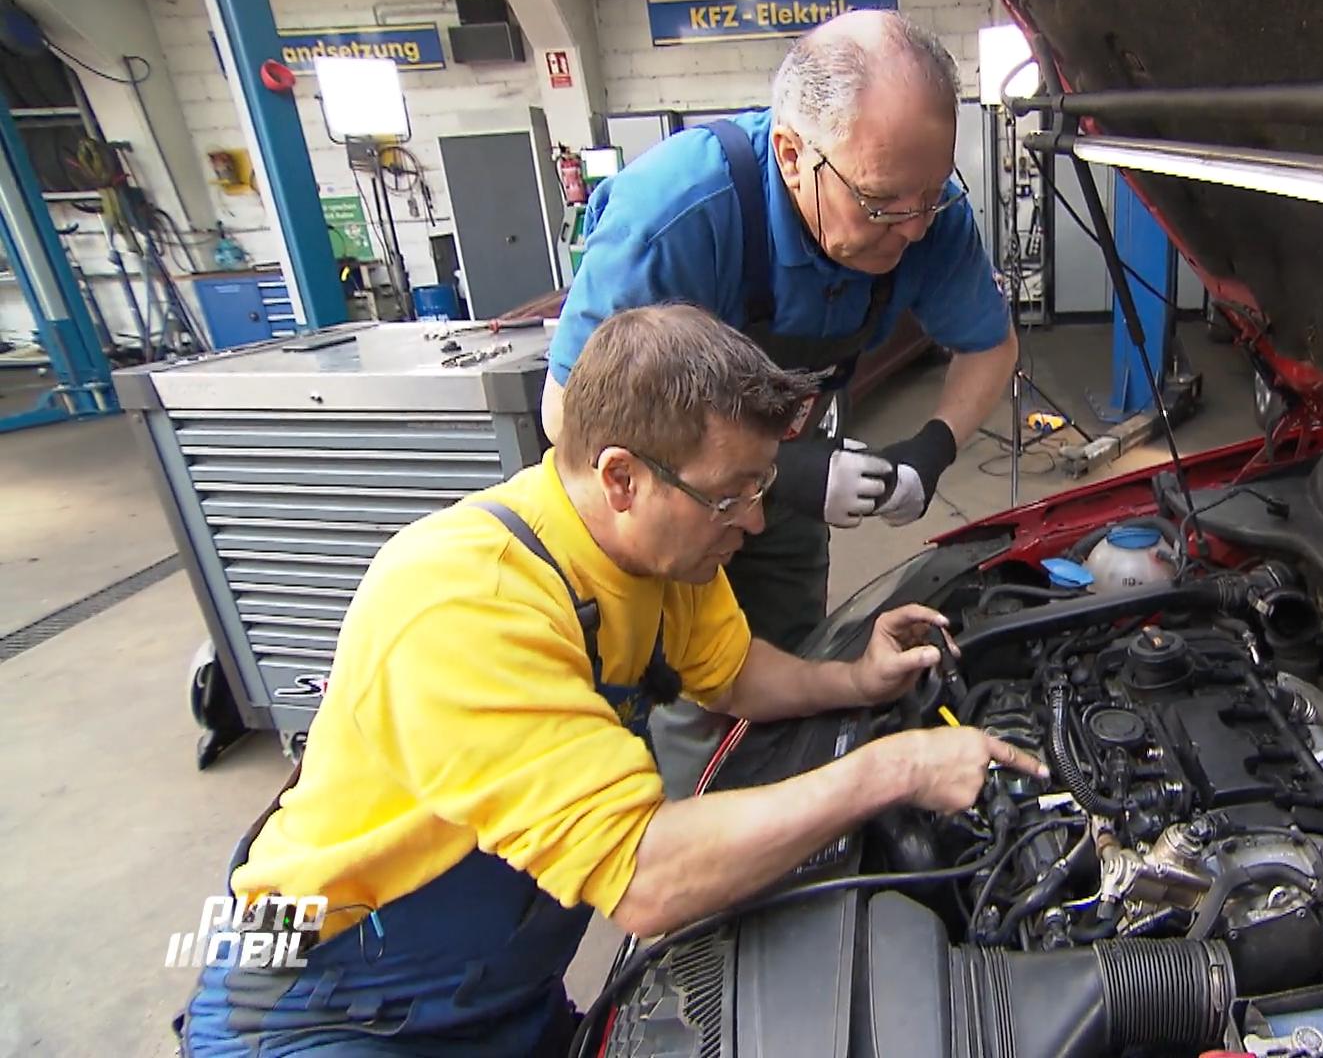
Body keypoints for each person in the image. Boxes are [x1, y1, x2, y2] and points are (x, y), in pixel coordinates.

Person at [177, 306, 1046, 1057]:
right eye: (730, 495)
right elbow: (645, 883)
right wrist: (892, 771)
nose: (750, 521)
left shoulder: (664, 557)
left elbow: (734, 674)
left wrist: (856, 679)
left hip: (496, 995)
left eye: (762, 487)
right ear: (622, 476)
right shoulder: (463, 603)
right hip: (321, 1007)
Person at [541, 10, 1019, 795]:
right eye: (882, 202)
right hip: (667, 497)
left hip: (783, 479)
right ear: (794, 155)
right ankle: (708, 862)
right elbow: (569, 420)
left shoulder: (924, 217)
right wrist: (788, 474)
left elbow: (991, 346)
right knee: (688, 693)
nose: (915, 226)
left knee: (800, 660)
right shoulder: (681, 214)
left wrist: (931, 449)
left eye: (932, 196)